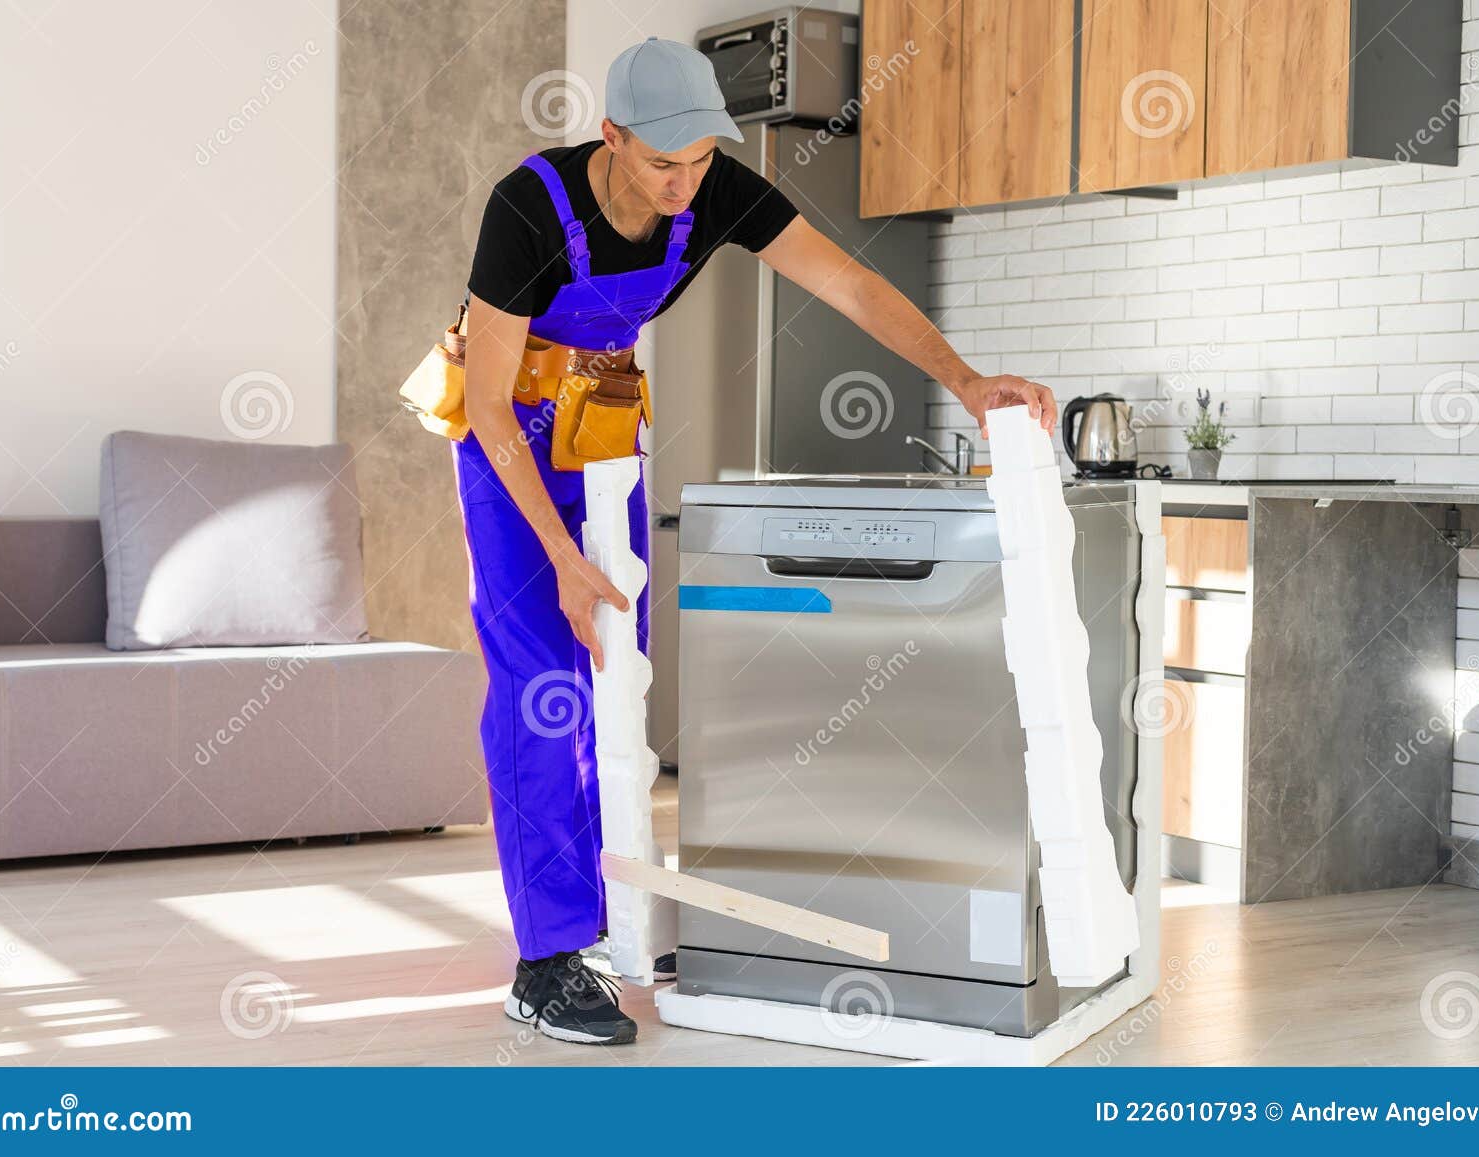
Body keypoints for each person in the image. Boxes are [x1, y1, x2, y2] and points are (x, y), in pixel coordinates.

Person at [453, 37, 1058, 1046]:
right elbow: (482, 395)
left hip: (603, 435)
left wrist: (965, 380)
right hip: (509, 448)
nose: (682, 182)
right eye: (661, 162)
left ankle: (610, 918)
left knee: (616, 681)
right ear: (611, 137)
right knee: (536, 689)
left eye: (697, 161)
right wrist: (559, 556)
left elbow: (853, 287)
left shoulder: (717, 189)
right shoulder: (527, 207)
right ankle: (544, 957)